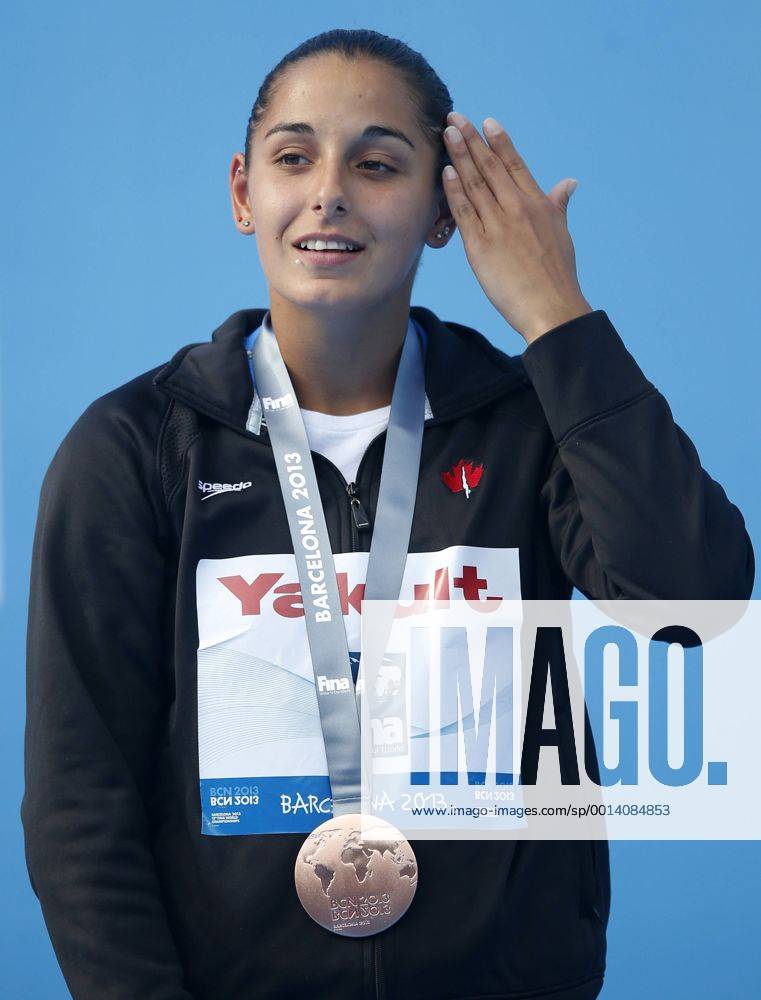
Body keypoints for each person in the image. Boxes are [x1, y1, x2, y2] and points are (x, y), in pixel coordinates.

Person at [21, 26, 754, 1000]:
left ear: (443, 211)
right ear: (242, 192)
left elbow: (693, 601)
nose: (328, 192)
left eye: (375, 164)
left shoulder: (530, 428)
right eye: (293, 158)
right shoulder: (135, 448)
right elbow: (80, 798)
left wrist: (557, 320)